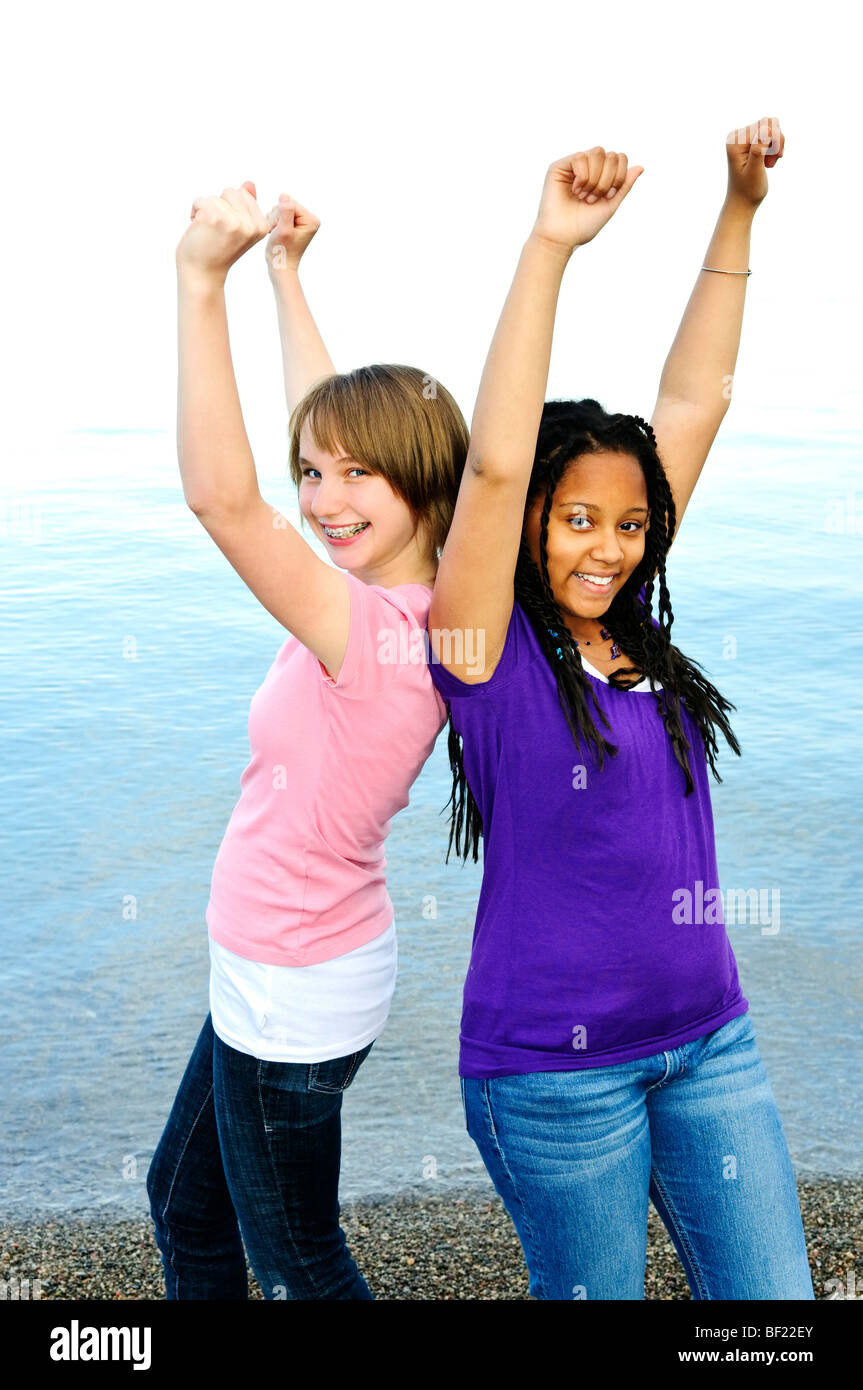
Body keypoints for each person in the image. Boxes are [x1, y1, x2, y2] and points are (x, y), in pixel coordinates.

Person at [427, 120, 814, 1299]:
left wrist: (738, 205)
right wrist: (550, 248)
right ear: (530, 521)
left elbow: (694, 398)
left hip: (710, 1043)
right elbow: (491, 466)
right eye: (574, 518)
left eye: (628, 522)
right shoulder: (480, 655)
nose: (604, 545)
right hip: (555, 1076)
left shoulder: (638, 638)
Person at [146, 180, 468, 1299]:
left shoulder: (368, 630)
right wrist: (285, 275)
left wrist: (201, 283)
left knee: (293, 1258)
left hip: (293, 986)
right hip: (279, 966)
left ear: (422, 479)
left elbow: (224, 499)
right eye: (314, 473)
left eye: (355, 476)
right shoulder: (401, 594)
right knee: (184, 1208)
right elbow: (317, 434)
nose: (323, 499)